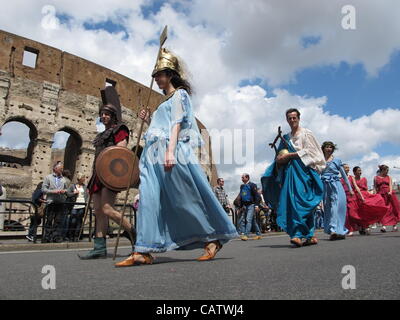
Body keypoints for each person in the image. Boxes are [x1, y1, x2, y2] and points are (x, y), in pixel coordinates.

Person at [115, 48, 238, 267]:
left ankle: (212, 239)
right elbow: (162, 124)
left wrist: (170, 152)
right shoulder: (163, 102)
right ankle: (143, 250)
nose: (156, 79)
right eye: (154, 75)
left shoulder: (180, 94)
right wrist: (149, 117)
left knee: (184, 198)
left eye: (159, 74)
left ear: (170, 74)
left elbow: (176, 125)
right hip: (151, 155)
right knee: (148, 199)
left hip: (168, 152)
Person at [79, 87, 136, 260]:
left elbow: (121, 149)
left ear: (112, 115)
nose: (103, 116)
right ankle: (99, 246)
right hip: (97, 174)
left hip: (110, 174)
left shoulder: (120, 129)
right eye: (102, 114)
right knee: (98, 211)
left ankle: (134, 233)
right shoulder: (101, 134)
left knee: (107, 209)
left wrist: (111, 157)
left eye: (106, 114)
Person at [261, 108, 325, 247]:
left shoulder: (307, 134)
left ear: (298, 118)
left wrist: (290, 155)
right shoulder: (286, 138)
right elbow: (278, 156)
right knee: (293, 202)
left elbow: (312, 153)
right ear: (287, 120)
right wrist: (280, 159)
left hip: (305, 172)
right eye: (289, 118)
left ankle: (309, 234)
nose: (292, 120)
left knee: (305, 203)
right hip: (291, 173)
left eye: (294, 118)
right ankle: (296, 234)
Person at [321, 142, 352, 240]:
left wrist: (350, 189)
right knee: (327, 208)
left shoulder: (337, 161)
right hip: (325, 185)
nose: (329, 148)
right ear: (323, 149)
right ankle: (337, 231)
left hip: (336, 185)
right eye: (327, 147)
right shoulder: (320, 160)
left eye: (331, 147)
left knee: (336, 207)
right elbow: (317, 174)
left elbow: (344, 176)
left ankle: (334, 229)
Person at [353, 166, 388, 233]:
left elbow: (366, 189)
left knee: (372, 205)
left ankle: (366, 226)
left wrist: (371, 194)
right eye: (358, 171)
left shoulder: (364, 179)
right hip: (357, 195)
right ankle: (362, 226)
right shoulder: (353, 179)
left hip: (365, 194)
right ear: (354, 172)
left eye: (360, 170)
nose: (360, 172)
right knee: (359, 212)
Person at [42, 162, 69, 243]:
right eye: (60, 168)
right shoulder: (48, 177)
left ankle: (56, 237)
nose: (62, 170)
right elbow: (44, 189)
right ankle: (47, 237)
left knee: (58, 221)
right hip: (51, 202)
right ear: (55, 169)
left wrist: (64, 191)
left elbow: (67, 190)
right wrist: (54, 191)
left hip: (60, 202)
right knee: (49, 220)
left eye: (62, 168)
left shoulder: (64, 179)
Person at [374, 165, 400, 232]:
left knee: (393, 209)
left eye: (388, 171)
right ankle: (383, 226)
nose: (387, 172)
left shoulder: (389, 177)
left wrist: (390, 192)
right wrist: (375, 195)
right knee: (383, 210)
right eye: (386, 170)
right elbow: (375, 187)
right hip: (381, 195)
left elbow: (390, 185)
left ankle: (394, 226)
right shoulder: (376, 178)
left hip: (389, 195)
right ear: (382, 170)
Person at [237, 174, 262, 241]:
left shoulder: (252, 185)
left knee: (248, 219)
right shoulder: (242, 186)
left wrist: (256, 205)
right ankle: (258, 234)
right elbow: (242, 196)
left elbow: (256, 196)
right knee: (252, 220)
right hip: (245, 205)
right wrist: (240, 207)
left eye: (243, 177)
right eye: (241, 178)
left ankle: (246, 235)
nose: (242, 179)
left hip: (251, 205)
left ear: (247, 178)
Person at [341, 164, 361, 236]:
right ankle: (350, 229)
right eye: (346, 168)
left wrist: (361, 196)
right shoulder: (340, 178)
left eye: (348, 168)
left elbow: (356, 187)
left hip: (352, 197)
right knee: (347, 215)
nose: (348, 169)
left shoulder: (351, 177)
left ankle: (360, 225)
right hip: (343, 197)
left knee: (353, 213)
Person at [67, 173, 88, 242]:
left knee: (79, 221)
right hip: (75, 205)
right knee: (73, 221)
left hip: (82, 205)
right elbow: (68, 193)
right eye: (83, 178)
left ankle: (76, 236)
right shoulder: (73, 186)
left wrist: (86, 201)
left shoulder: (85, 186)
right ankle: (70, 235)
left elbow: (86, 195)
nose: (84, 179)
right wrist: (74, 193)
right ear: (79, 178)